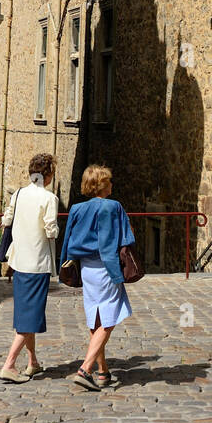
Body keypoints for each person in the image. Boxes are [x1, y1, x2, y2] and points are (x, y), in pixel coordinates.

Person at [60, 164, 135, 391]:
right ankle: (85, 369)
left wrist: (65, 266)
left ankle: (103, 371)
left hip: (86, 269)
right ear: (102, 184)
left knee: (96, 318)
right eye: (109, 181)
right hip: (106, 268)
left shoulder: (76, 209)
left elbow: (67, 240)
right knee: (109, 318)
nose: (112, 184)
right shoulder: (114, 207)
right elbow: (126, 238)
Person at [0, 152, 59, 383]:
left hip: (19, 261)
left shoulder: (20, 193)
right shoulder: (48, 199)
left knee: (26, 313)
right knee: (31, 316)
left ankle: (32, 362)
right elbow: (51, 230)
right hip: (37, 263)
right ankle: (9, 364)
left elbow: (7, 219)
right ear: (48, 174)